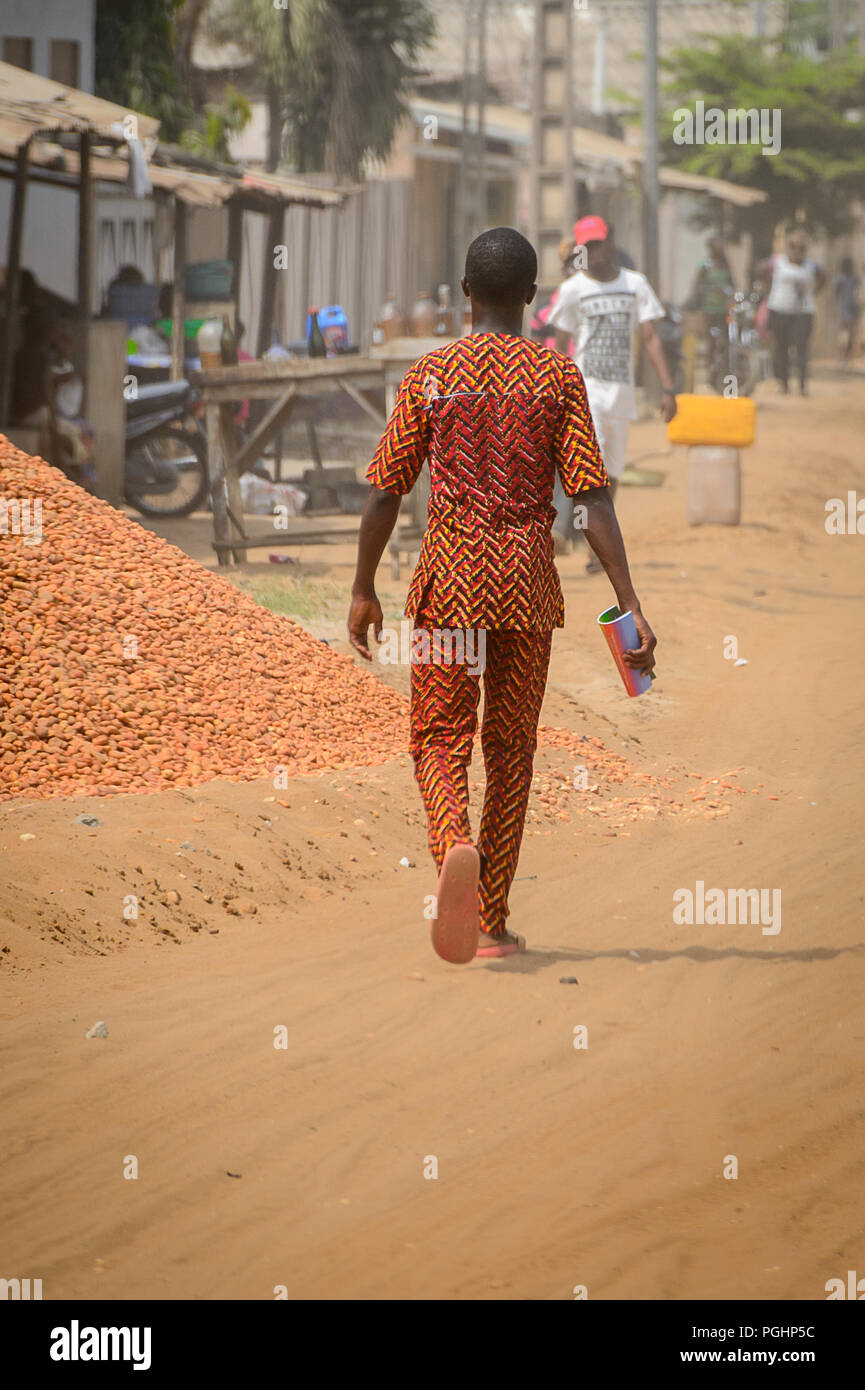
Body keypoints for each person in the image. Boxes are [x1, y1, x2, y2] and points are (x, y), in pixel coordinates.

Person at [346, 227, 657, 964]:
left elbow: (385, 493)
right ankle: (489, 922)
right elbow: (592, 500)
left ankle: (453, 838)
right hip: (523, 584)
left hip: (449, 578)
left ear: (463, 293)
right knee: (511, 751)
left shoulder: (429, 375)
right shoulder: (557, 379)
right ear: (529, 297)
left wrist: (362, 586)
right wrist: (628, 600)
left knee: (435, 737)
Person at [550, 215, 677, 571]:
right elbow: (561, 344)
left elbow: (650, 336)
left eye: (599, 243)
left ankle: (595, 545)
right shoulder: (573, 289)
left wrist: (668, 387)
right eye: (587, 246)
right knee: (594, 462)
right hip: (586, 388)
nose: (595, 251)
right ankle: (575, 534)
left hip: (621, 391)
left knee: (613, 468)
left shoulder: (634, 284)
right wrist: (556, 390)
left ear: (611, 243)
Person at [757, 229, 825, 395]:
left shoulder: (812, 265)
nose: (797, 251)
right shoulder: (777, 262)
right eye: (793, 246)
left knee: (801, 348)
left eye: (801, 248)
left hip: (803, 313)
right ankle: (784, 383)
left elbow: (824, 276)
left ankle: (802, 385)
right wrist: (768, 290)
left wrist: (815, 291)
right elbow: (761, 270)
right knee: (781, 348)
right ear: (788, 247)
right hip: (779, 310)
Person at [689, 234, 735, 342]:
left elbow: (732, 284)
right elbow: (696, 286)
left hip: (723, 307)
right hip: (708, 307)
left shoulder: (725, 266)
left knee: (725, 335)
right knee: (710, 338)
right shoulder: (705, 266)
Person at [833, 256, 861, 365]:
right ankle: (841, 357)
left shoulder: (855, 278)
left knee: (851, 336)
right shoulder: (840, 279)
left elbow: (857, 293)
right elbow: (836, 295)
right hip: (844, 310)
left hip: (854, 310)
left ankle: (847, 358)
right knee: (844, 335)